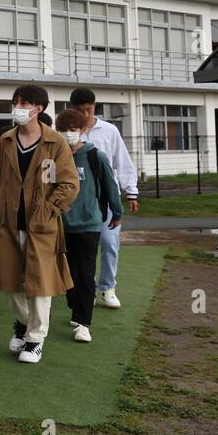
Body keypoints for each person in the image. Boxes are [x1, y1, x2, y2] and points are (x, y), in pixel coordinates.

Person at [0, 84, 79, 365]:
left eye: (23, 103)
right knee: (11, 281)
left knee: (39, 284)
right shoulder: (6, 140)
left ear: (38, 109)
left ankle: (36, 338)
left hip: (42, 227)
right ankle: (23, 325)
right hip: (8, 223)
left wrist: (47, 210)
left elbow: (69, 184)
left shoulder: (56, 143)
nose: (17, 108)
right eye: (15, 102)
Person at [54, 108, 123, 343]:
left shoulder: (96, 156)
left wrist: (117, 210)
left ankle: (84, 323)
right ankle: (76, 304)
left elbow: (110, 186)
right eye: (62, 130)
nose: (67, 134)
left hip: (89, 223)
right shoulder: (52, 157)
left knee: (84, 273)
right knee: (67, 272)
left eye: (72, 130)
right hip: (60, 224)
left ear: (84, 131)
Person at [68, 87, 139, 309]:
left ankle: (107, 287)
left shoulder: (109, 130)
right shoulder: (65, 133)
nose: (85, 115)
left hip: (106, 198)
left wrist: (131, 191)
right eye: (80, 111)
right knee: (76, 248)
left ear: (94, 107)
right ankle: (75, 287)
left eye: (89, 110)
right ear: (72, 109)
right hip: (76, 202)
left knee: (109, 243)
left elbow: (122, 161)